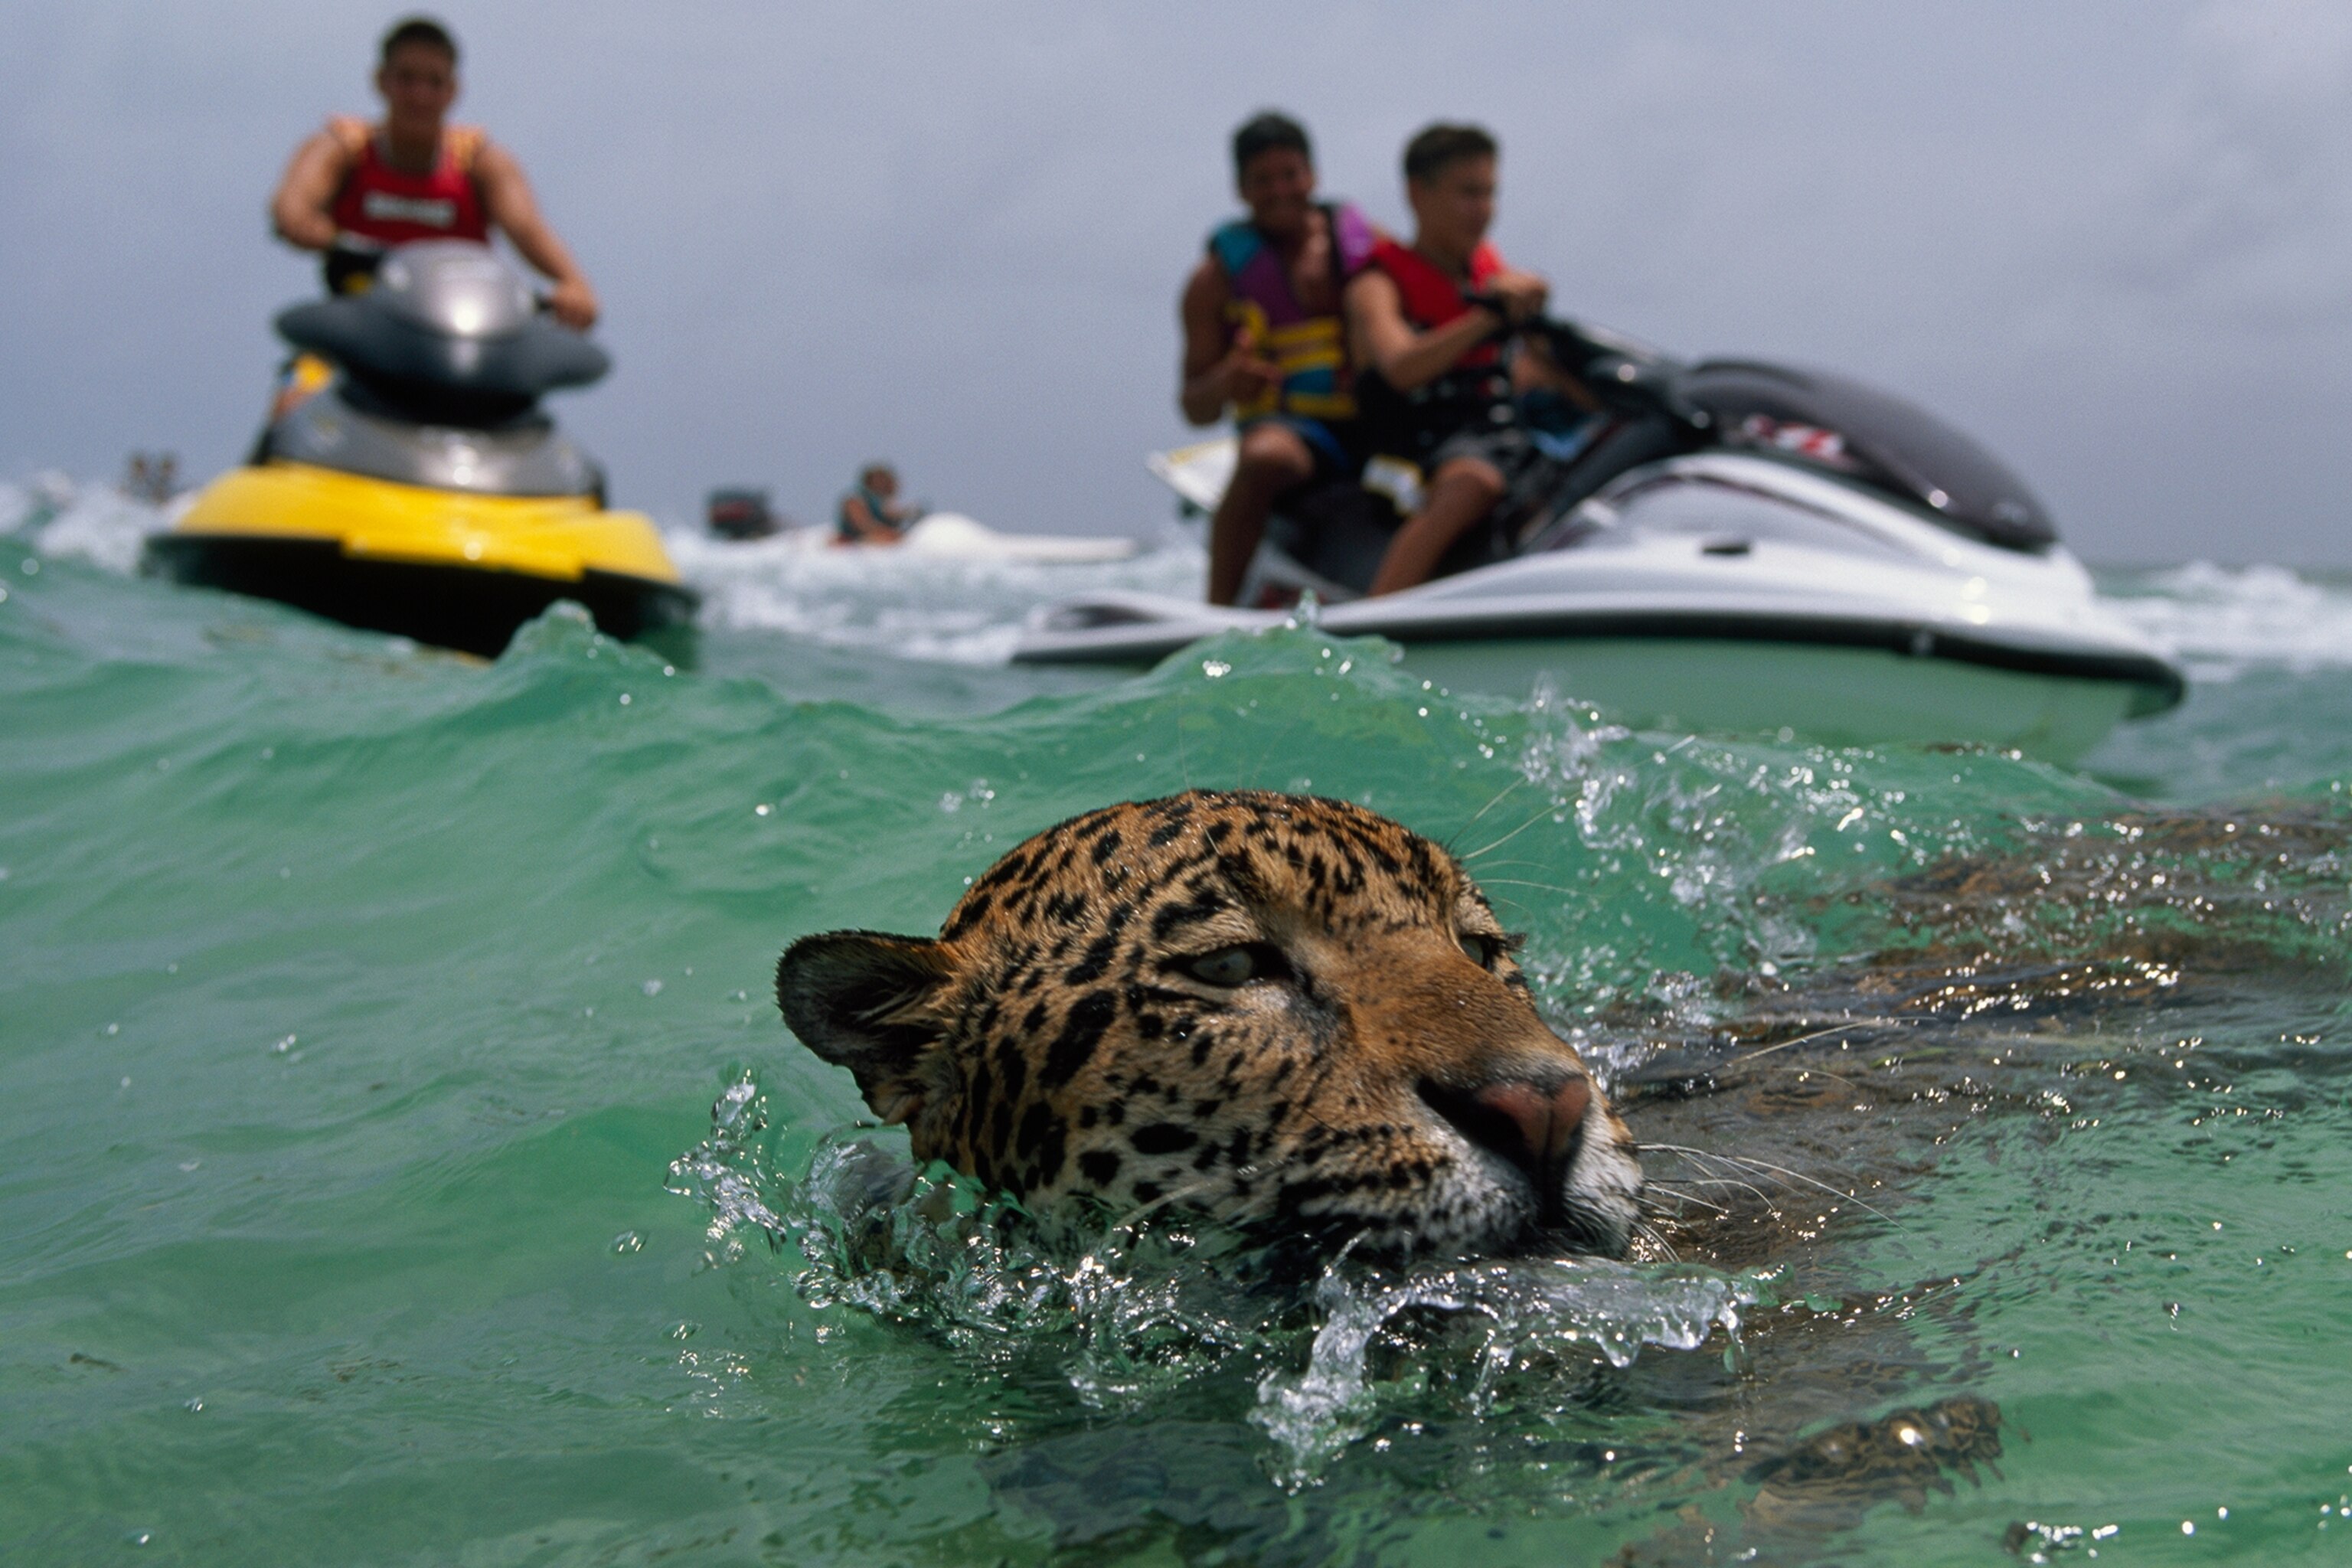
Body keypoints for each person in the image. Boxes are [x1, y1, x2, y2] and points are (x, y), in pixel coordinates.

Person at [1344, 122, 1591, 596]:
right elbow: (1401, 366)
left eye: (1490, 194)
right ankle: (1374, 616)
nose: (1483, 210)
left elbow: (1534, 366)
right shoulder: (1376, 285)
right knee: (1473, 484)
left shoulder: (1490, 275)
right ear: (1418, 194)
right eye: (1468, 194)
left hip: (1499, 437)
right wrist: (1489, 316)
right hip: (1412, 453)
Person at [269, 16, 599, 329]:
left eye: (434, 82)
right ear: (381, 81)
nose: (420, 95)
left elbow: (526, 226)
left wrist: (573, 284)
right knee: (303, 375)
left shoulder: (480, 162)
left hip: (458, 334)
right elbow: (293, 205)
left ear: (452, 90)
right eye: (406, 79)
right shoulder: (345, 147)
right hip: (357, 332)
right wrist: (306, 226)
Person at [1178, 113, 1380, 605]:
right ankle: (1216, 611)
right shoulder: (1214, 281)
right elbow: (1194, 407)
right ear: (1240, 189)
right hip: (1290, 432)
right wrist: (1227, 383)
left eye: (1289, 175)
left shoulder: (1364, 249)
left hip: (1377, 423)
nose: (1279, 191)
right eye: (1262, 180)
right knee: (1265, 457)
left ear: (1312, 175)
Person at [836, 462, 919, 545]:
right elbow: (864, 525)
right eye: (882, 481)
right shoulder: (855, 500)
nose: (884, 485)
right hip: (856, 543)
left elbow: (891, 515)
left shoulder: (878, 502)